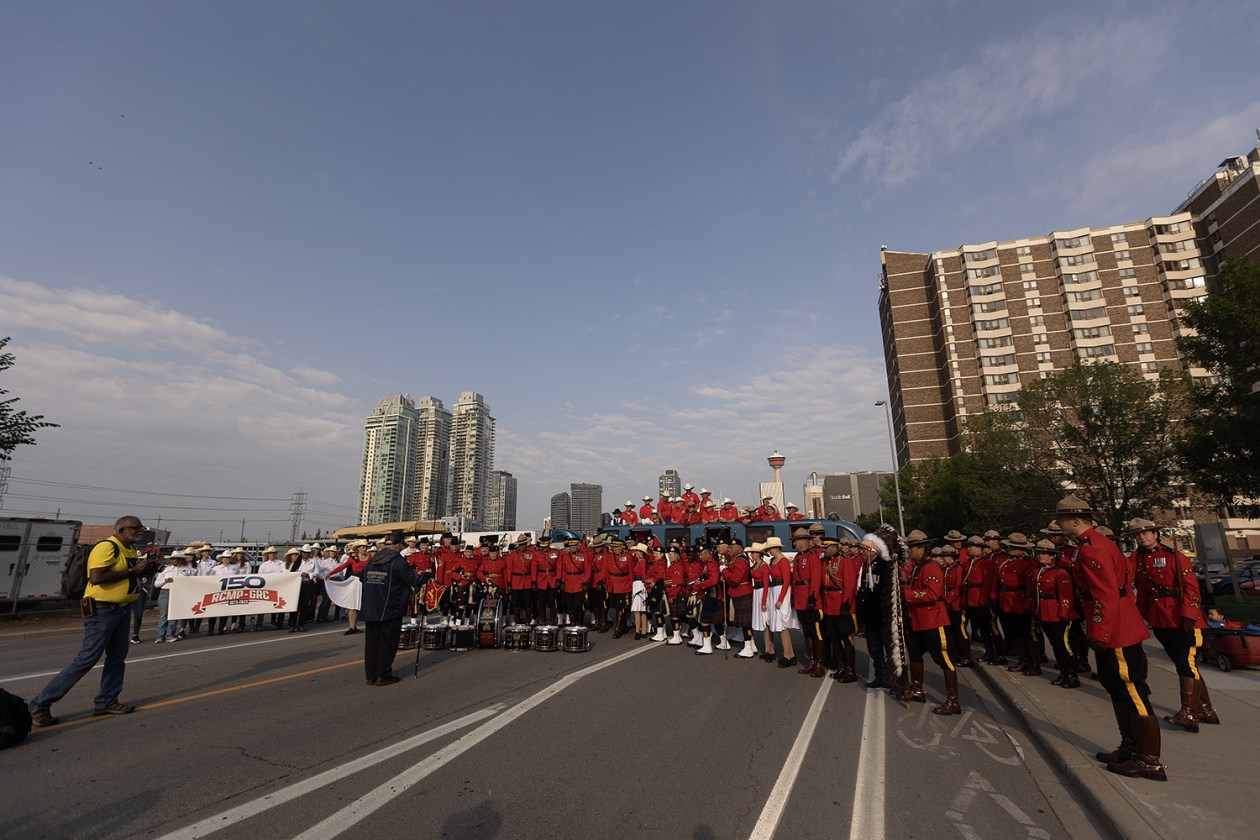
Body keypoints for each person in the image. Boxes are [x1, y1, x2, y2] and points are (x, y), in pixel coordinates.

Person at [1056, 496, 1165, 781]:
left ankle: (1150, 761)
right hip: (1113, 625)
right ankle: (1130, 748)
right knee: (1116, 688)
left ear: (1076, 520)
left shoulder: (1093, 549)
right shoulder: (1090, 546)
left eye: (1062, 519)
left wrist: (1099, 631)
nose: (1058, 524)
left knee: (1132, 690)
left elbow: (1105, 592)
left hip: (1116, 630)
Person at [29, 516, 153, 725]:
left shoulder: (130, 549)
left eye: (141, 528)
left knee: (117, 658)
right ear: (122, 530)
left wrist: (145, 570)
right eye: (135, 528)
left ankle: (107, 700)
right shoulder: (107, 547)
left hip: (122, 611)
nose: (139, 532)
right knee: (86, 658)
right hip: (102, 611)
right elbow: (96, 577)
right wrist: (133, 570)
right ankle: (39, 704)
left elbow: (126, 575)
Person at [1129, 518, 1219, 731]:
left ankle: (1188, 713)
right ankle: (1205, 709)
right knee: (1186, 664)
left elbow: (1191, 588)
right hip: (1160, 618)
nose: (1143, 537)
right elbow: (1143, 590)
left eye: (1147, 532)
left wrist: (1189, 614)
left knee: (1185, 663)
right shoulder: (1138, 559)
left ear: (1156, 534)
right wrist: (1139, 615)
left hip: (1181, 617)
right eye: (1138, 534)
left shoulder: (1174, 556)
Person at [901, 530, 961, 715]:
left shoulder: (930, 567)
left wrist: (908, 595)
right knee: (915, 654)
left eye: (911, 548)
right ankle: (917, 689)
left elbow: (933, 593)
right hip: (918, 620)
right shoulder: (917, 566)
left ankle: (953, 701)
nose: (909, 551)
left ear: (921, 548)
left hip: (933, 620)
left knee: (944, 660)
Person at [360, 531, 427, 686]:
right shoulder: (397, 561)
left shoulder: (372, 560)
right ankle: (383, 675)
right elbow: (413, 580)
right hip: (389, 607)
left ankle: (371, 675)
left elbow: (362, 577)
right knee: (388, 642)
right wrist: (426, 576)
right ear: (397, 545)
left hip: (371, 607)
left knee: (371, 643)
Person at [1032, 539, 1079, 689]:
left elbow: (1066, 596)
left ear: (1052, 556)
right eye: (1039, 553)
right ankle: (1063, 673)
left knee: (1063, 646)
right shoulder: (1038, 572)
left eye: (1045, 554)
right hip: (1044, 613)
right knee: (1055, 645)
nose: (1041, 556)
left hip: (1057, 614)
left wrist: (1064, 613)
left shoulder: (1060, 572)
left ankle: (1072, 675)